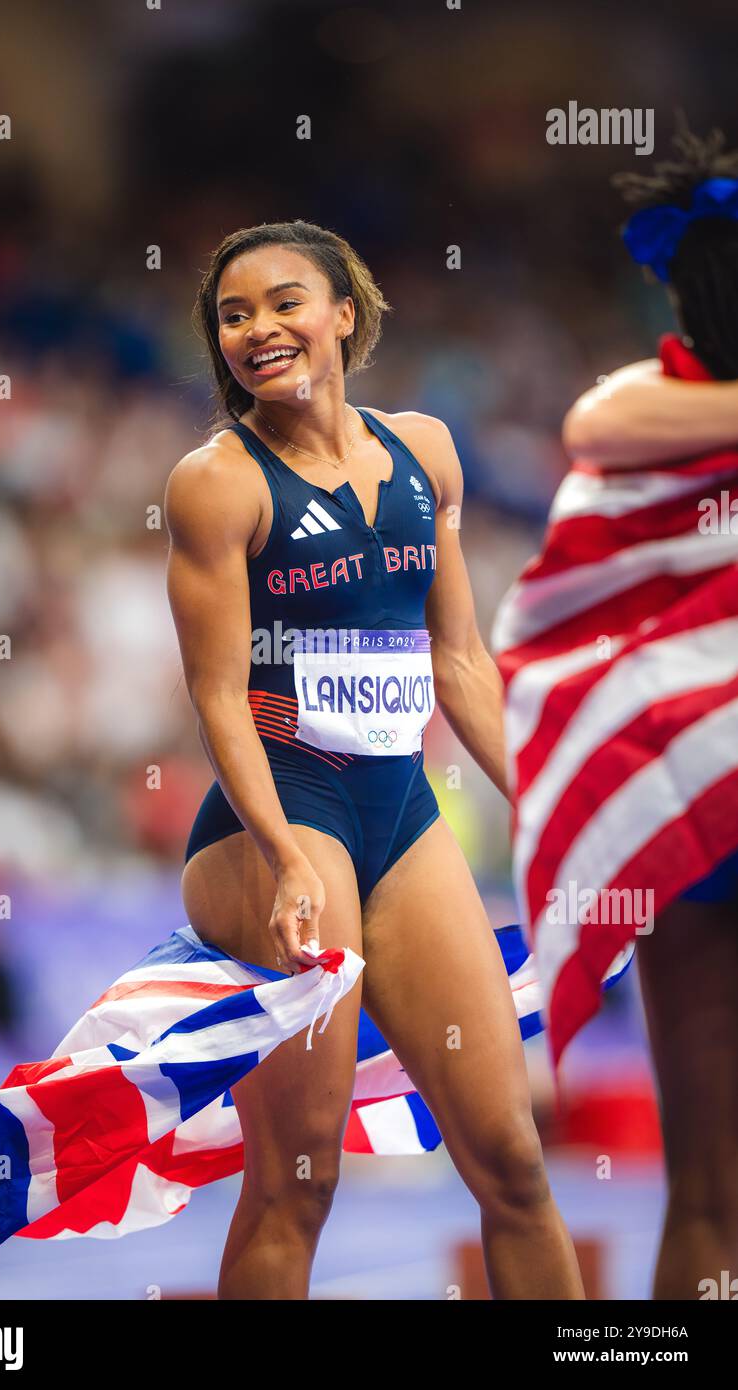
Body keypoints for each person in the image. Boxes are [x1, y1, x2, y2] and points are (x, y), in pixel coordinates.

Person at [164, 219, 584, 1300]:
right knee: (297, 1181)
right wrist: (283, 858)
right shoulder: (217, 483)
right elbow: (213, 691)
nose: (258, 328)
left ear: (343, 313)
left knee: (512, 1161)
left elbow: (459, 662)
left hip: (396, 807)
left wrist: (553, 808)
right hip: (278, 814)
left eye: (283, 302)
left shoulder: (423, 451)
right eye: (232, 314)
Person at [525, 126, 738, 1299]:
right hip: (695, 799)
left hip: (679, 804)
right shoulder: (635, 416)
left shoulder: (647, 410)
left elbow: (591, 427)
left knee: (706, 1187)